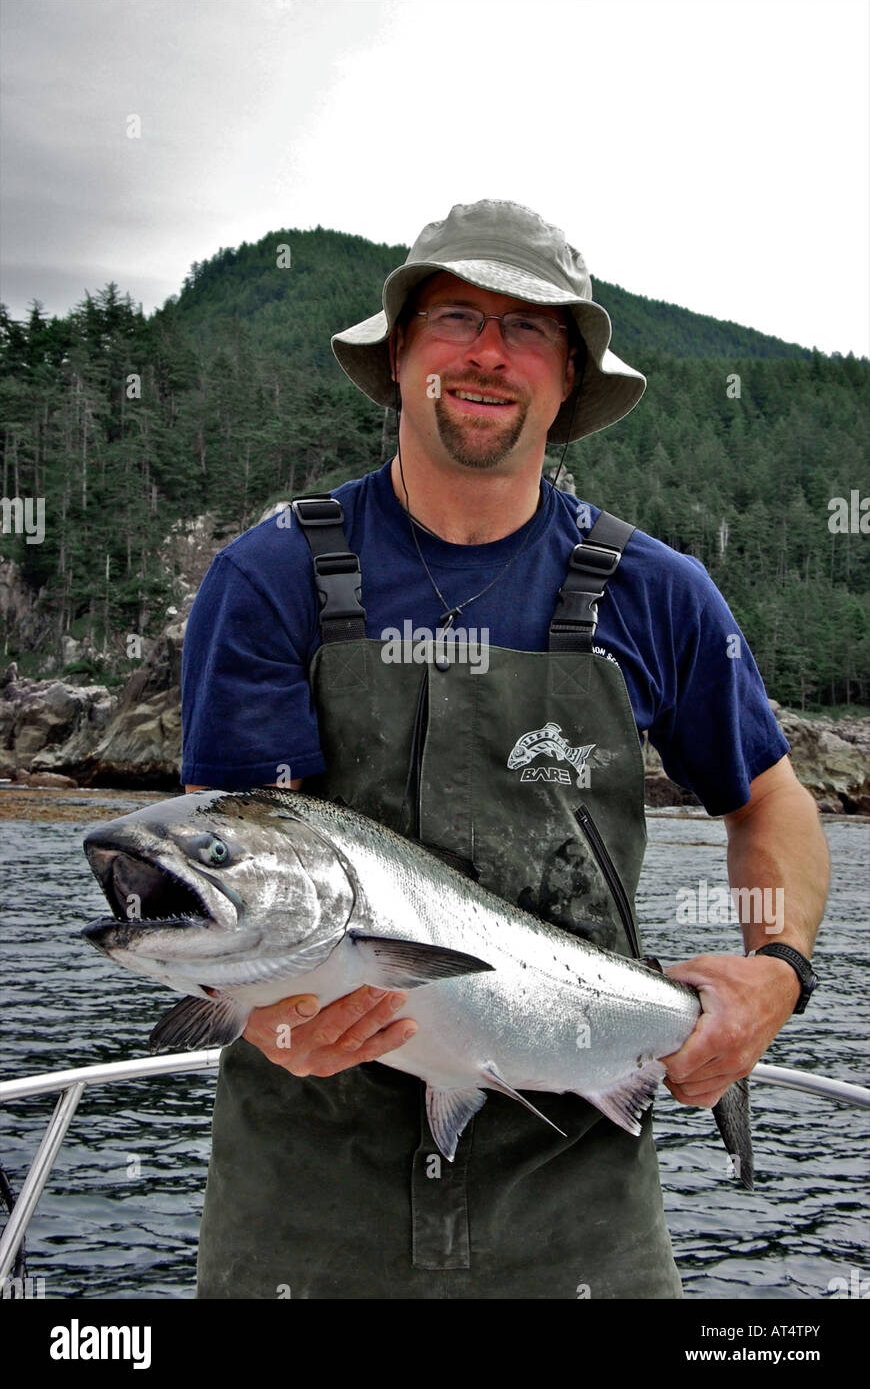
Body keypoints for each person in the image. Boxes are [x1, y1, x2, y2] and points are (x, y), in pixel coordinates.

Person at [181, 199, 829, 1299]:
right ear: (398, 357)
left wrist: (777, 971)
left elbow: (771, 804)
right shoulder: (269, 576)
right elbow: (235, 860)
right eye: (456, 317)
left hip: (578, 1209)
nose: (490, 352)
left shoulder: (660, 593)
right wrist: (269, 1014)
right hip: (304, 1205)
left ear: (571, 377)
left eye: (531, 328)